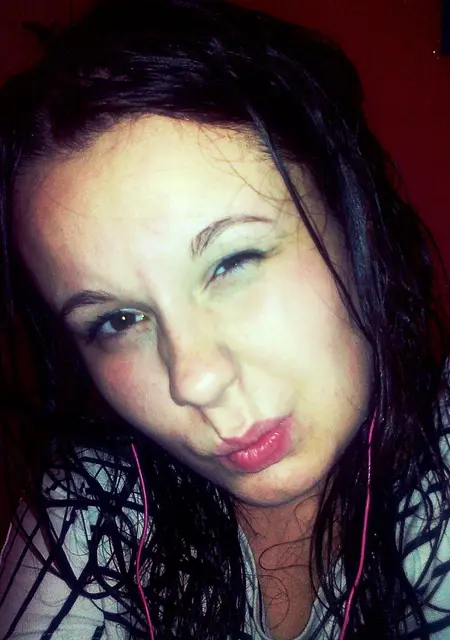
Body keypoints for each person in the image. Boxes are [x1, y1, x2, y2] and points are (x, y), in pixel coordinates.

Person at [0, 0, 449, 638]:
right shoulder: (94, 506)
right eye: (119, 319)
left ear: (356, 222)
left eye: (232, 262)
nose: (195, 380)